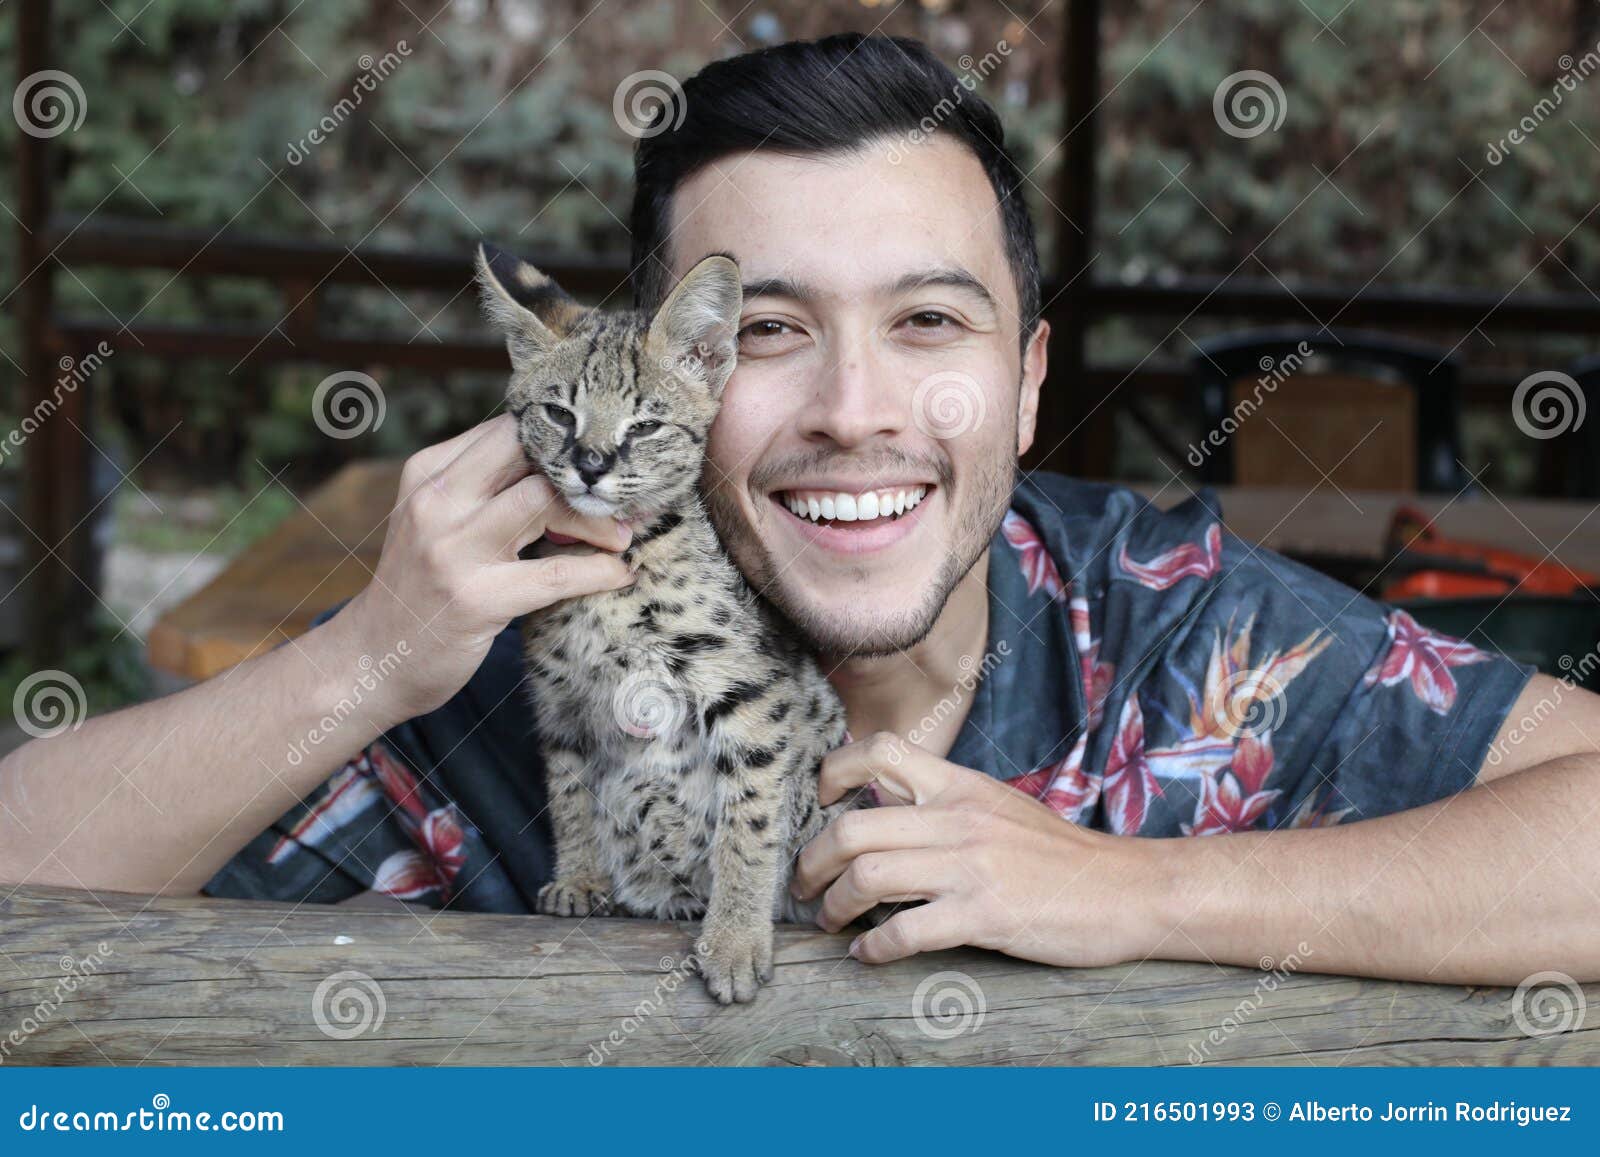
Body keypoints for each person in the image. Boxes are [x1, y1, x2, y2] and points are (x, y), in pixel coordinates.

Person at [3, 34, 1597, 985]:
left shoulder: (1172, 623)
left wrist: (1135, 888)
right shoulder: (504, 666)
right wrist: (359, 661)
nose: (851, 407)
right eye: (761, 331)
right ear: (668, 376)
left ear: (1029, 383)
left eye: (928, 321)